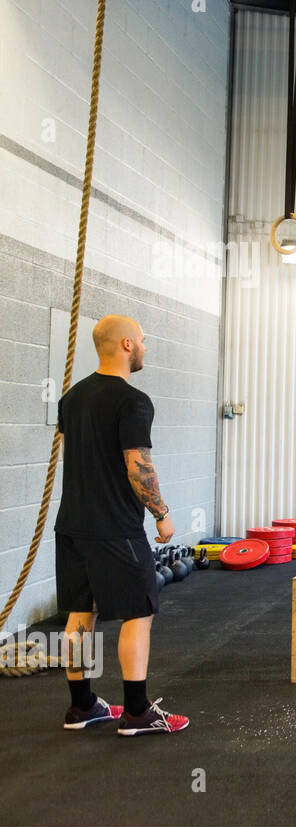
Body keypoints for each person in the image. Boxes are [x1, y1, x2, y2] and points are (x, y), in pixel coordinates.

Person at [55, 315, 188, 736]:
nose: (146, 348)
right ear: (127, 345)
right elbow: (138, 466)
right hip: (115, 528)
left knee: (80, 614)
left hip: (72, 525)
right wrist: (162, 515)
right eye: (144, 341)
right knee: (139, 611)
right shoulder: (133, 401)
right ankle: (136, 713)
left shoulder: (71, 398)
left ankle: (81, 707)